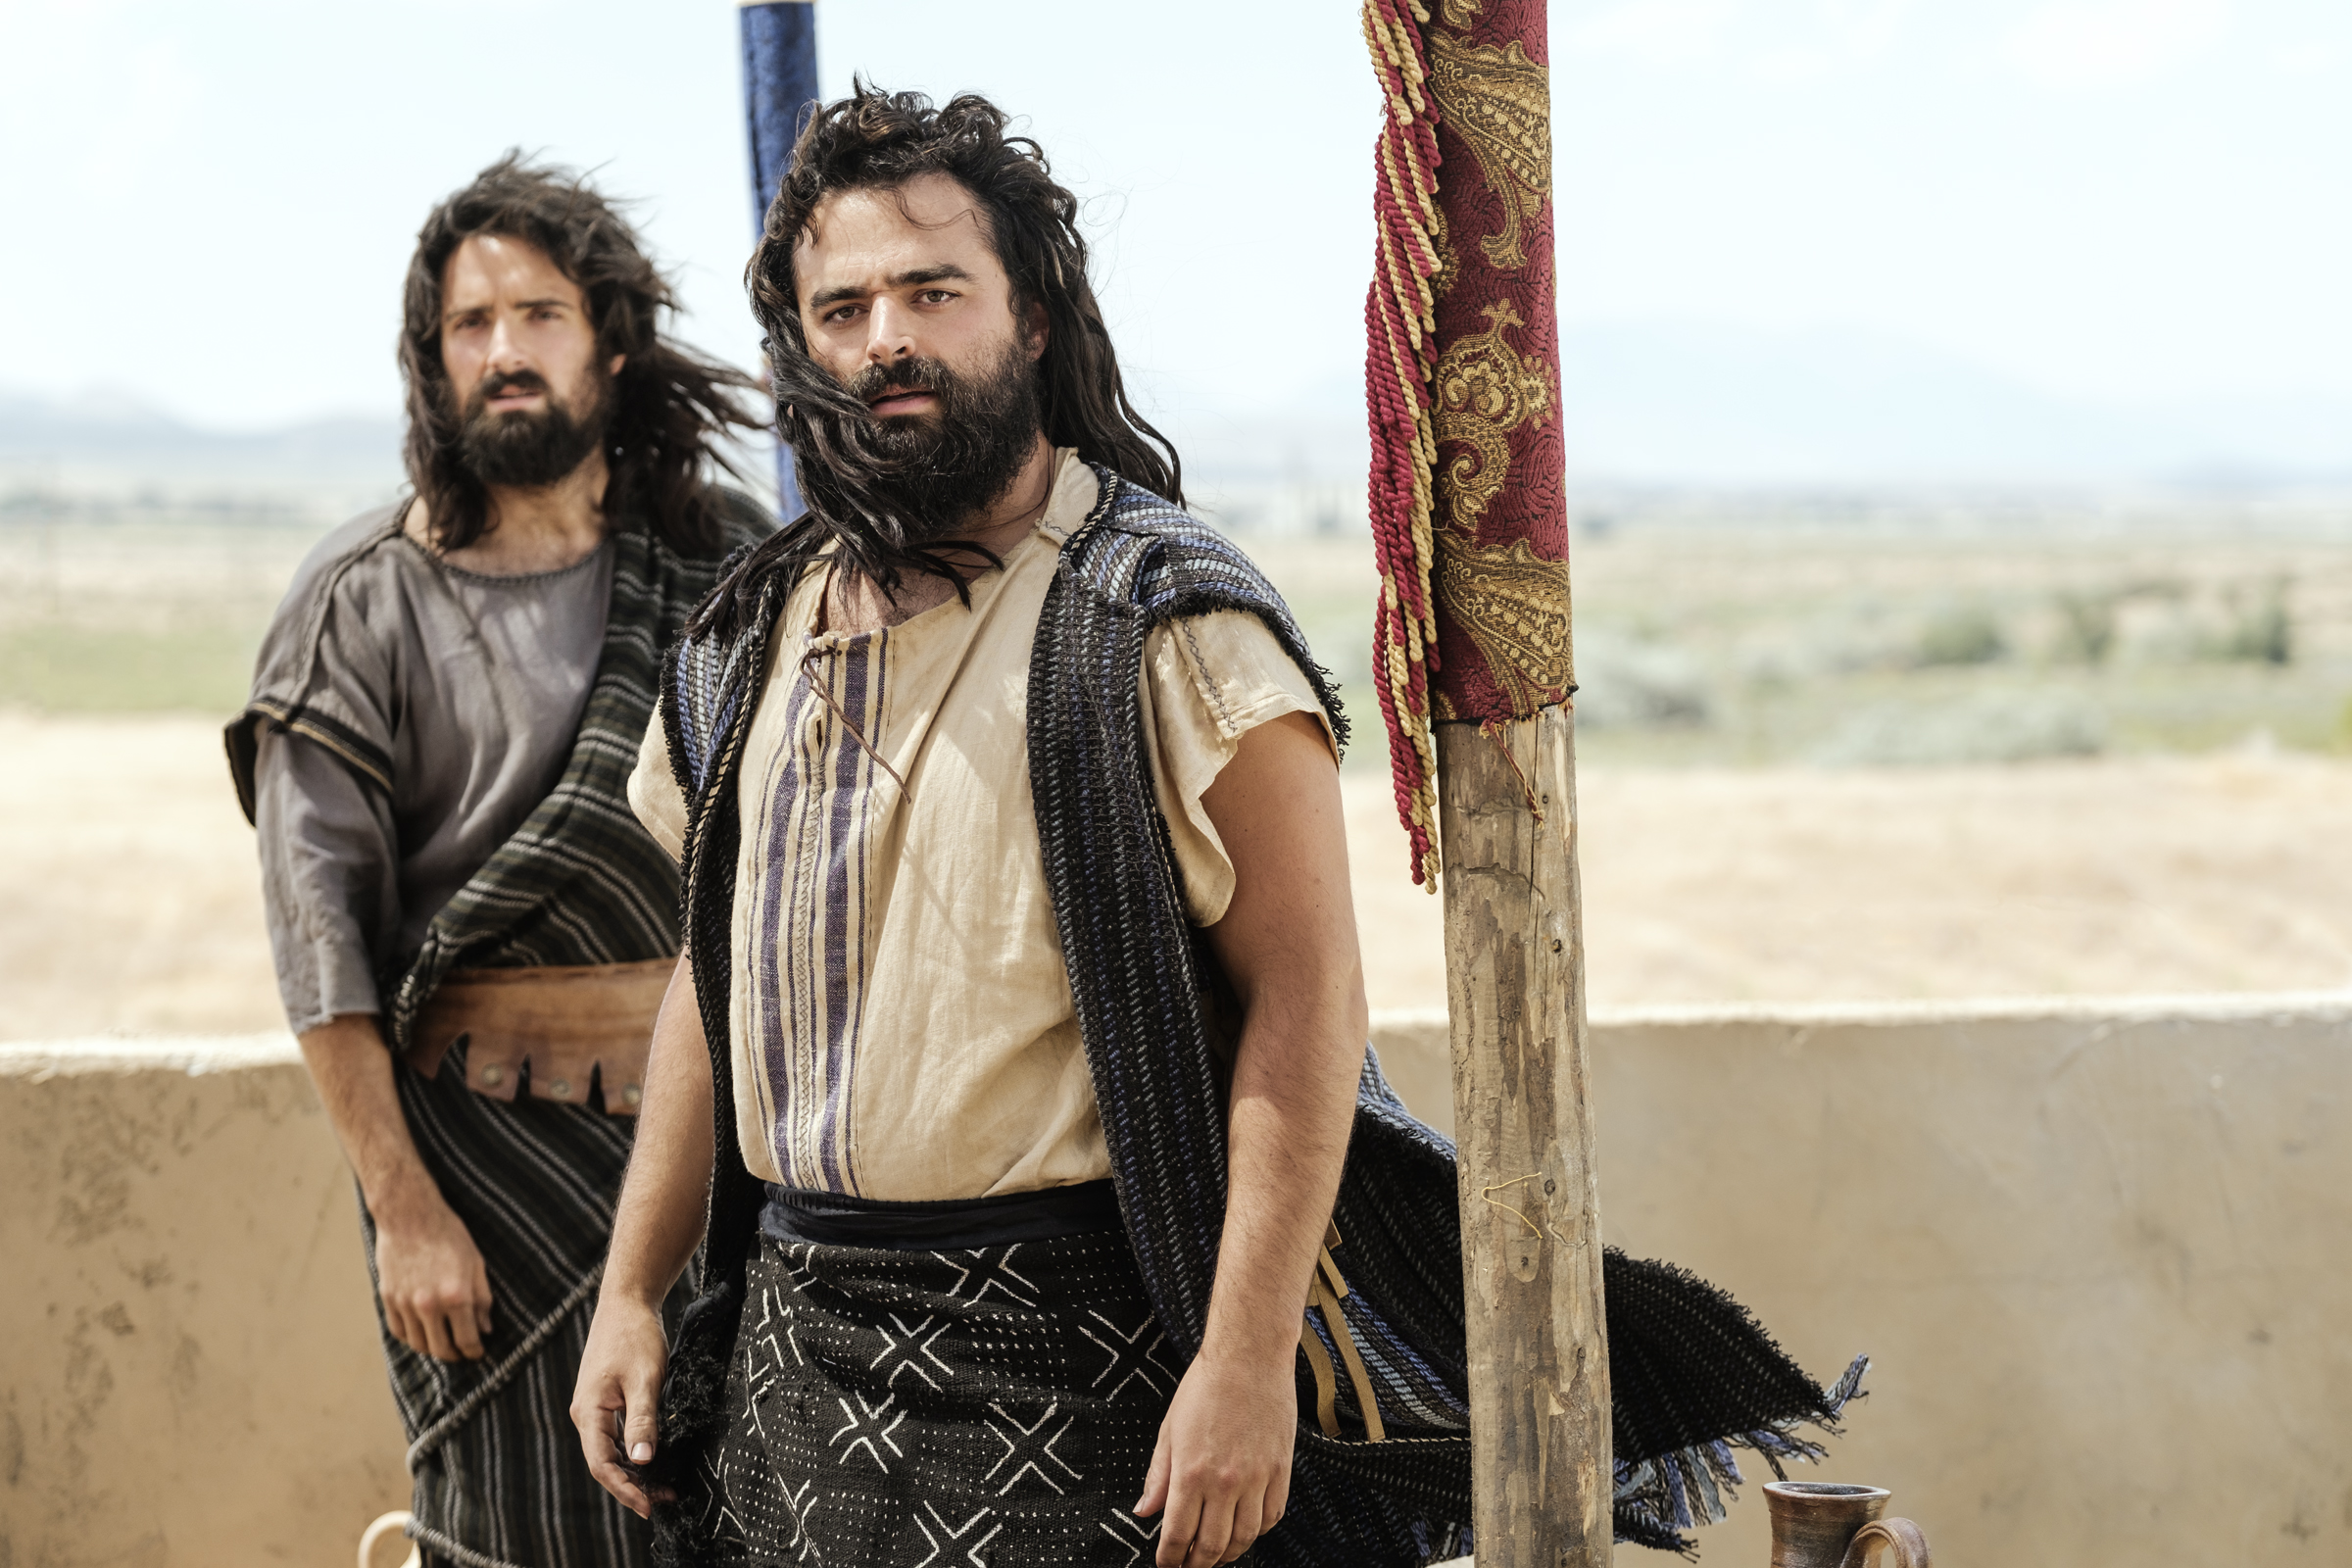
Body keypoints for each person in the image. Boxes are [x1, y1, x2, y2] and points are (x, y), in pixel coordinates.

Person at [570, 87, 1477, 1568]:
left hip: (1087, 1366)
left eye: (935, 291)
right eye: (844, 306)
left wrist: (1246, 1362)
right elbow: (706, 984)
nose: (888, 341)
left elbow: (1307, 1003)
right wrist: (630, 1289)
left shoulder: (1166, 623)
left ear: (1035, 318)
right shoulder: (747, 639)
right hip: (798, 1370)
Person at [227, 154, 775, 1568]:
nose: (504, 352)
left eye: (536, 314)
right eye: (470, 327)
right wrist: (407, 1214)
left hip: (726, 1169)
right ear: (432, 366)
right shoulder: (360, 606)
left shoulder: (729, 567)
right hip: (480, 1184)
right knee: (511, 1540)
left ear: (610, 340)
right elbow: (321, 949)